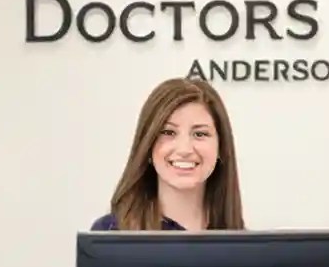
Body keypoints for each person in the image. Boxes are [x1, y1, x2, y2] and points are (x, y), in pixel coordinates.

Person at [91, 77, 245, 231]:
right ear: (147, 144)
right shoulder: (112, 233)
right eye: (168, 132)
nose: (184, 150)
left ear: (221, 146)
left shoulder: (244, 246)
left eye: (200, 134)